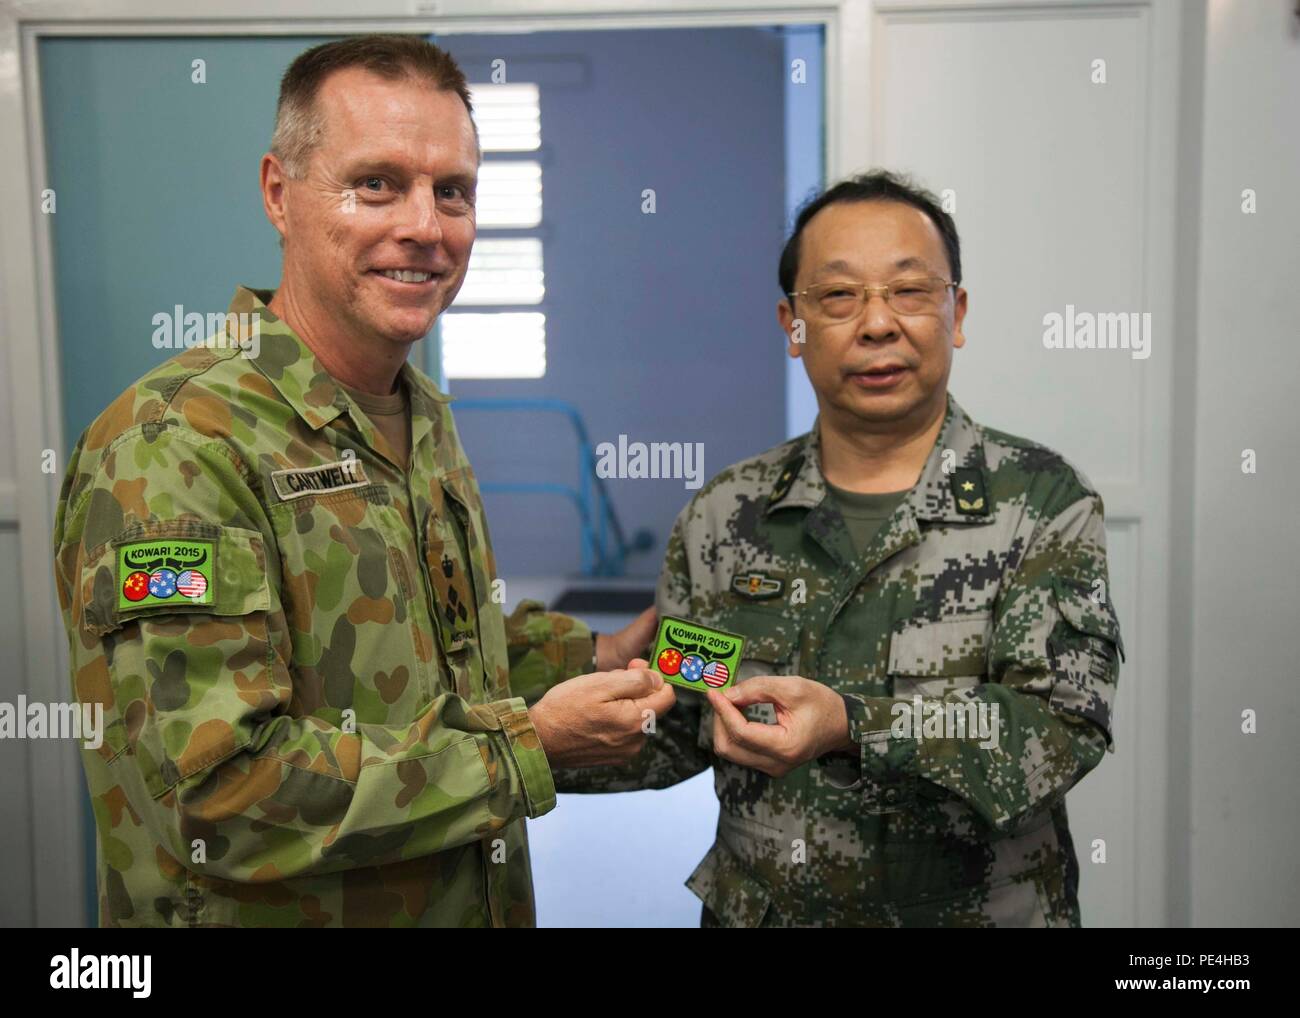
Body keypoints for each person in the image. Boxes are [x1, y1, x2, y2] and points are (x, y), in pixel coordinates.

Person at [51, 34, 670, 928]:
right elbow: (221, 796)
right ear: (279, 193)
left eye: (452, 190)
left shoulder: (420, 415)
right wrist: (525, 748)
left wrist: (594, 658)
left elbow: (423, 649)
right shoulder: (174, 447)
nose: (425, 225)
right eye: (376, 183)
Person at [557, 171, 1125, 927]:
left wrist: (852, 724)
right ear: (793, 326)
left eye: (909, 292)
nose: (877, 324)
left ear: (955, 314)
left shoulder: (1042, 503)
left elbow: (1058, 730)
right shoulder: (728, 513)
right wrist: (526, 747)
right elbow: (689, 714)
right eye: (838, 297)